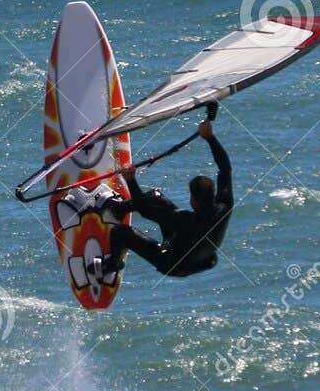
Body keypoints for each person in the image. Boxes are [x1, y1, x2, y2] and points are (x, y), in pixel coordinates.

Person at [62, 119, 233, 282]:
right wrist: (210, 137)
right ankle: (118, 208)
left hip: (173, 264)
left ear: (193, 200)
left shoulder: (185, 220)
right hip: (200, 258)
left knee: (120, 232)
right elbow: (225, 168)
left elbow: (144, 209)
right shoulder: (224, 206)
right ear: (213, 193)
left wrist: (130, 179)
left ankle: (113, 264)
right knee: (154, 197)